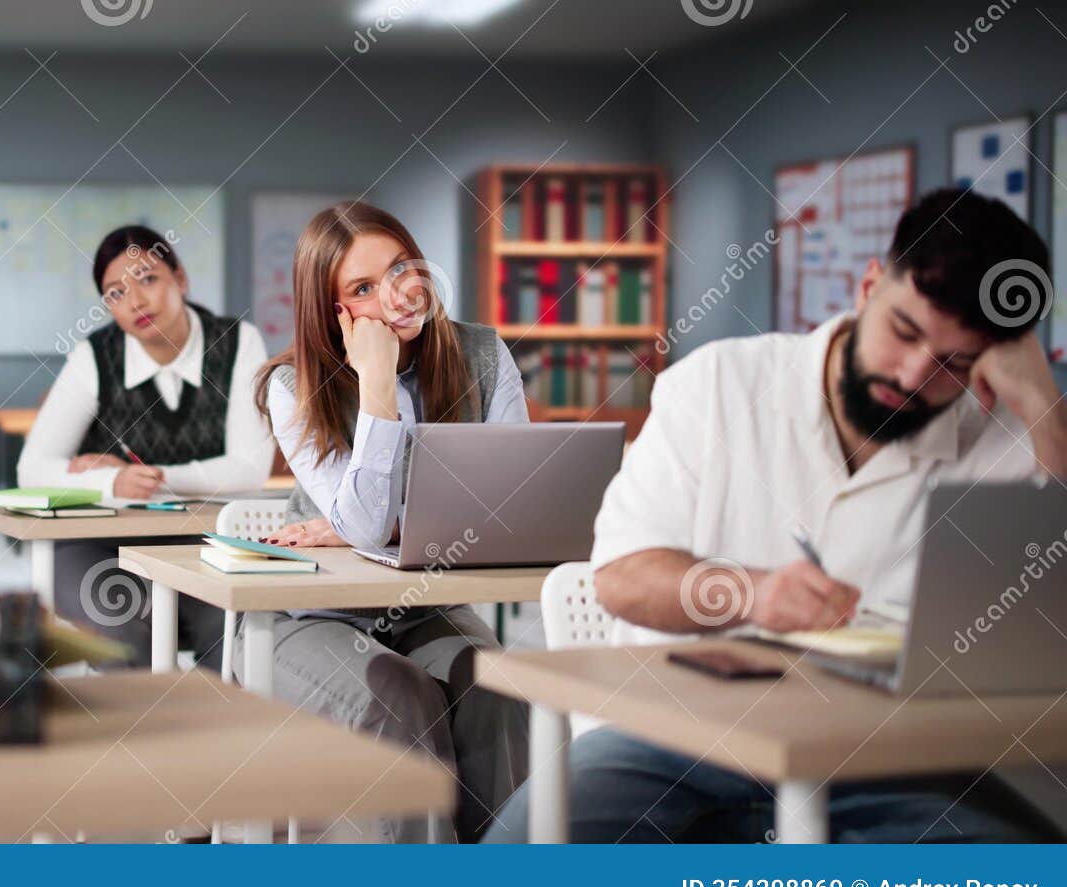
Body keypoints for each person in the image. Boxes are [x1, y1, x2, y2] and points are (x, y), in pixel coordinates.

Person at [484, 188, 1067, 843]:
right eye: (903, 332)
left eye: (952, 364)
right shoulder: (717, 386)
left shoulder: (1004, 433)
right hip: (671, 739)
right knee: (513, 864)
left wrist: (1043, 399)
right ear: (870, 285)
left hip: (887, 762)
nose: (910, 374)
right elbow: (620, 578)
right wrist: (752, 594)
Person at [248, 201, 529, 843]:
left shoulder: (483, 354)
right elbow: (372, 529)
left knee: (498, 691)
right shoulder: (292, 387)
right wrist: (375, 381)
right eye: (363, 289)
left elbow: (507, 504)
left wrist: (363, 524)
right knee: (400, 701)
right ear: (333, 311)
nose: (397, 296)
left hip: (426, 604)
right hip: (308, 615)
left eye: (402, 269)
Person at [17, 225, 273, 668]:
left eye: (148, 279)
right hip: (95, 544)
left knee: (231, 629)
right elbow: (31, 470)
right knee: (124, 627)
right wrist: (112, 481)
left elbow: (250, 467)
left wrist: (150, 480)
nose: (135, 301)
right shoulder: (95, 356)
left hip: (200, 542)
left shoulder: (236, 342)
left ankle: (218, 738)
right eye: (115, 293)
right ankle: (142, 739)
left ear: (181, 279)